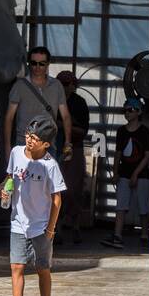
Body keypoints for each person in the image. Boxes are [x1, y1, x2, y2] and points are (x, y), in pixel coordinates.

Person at [1, 115, 66, 296]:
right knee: (16, 266)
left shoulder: (50, 165)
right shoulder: (16, 153)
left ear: (46, 144)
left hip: (40, 226)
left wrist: (50, 228)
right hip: (18, 221)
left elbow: (57, 199)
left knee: (42, 269)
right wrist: (4, 190)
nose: (29, 140)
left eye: (34, 138)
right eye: (28, 135)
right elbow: (9, 179)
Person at [102, 97, 149, 250]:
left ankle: (145, 233)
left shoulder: (144, 131)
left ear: (138, 112)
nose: (127, 113)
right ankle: (117, 235)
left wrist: (136, 174)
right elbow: (118, 154)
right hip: (124, 173)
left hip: (142, 173)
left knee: (143, 205)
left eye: (130, 110)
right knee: (121, 206)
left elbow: (147, 154)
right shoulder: (121, 131)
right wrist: (116, 172)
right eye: (125, 110)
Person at [4, 45, 73, 157]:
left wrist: (68, 143)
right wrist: (7, 147)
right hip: (24, 146)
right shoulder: (19, 86)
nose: (37, 67)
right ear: (29, 64)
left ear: (48, 64)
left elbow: (65, 116)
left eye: (41, 63)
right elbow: (9, 118)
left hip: (48, 146)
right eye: (33, 63)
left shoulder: (56, 86)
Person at [56, 70, 89, 244]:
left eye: (69, 84)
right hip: (55, 149)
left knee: (74, 189)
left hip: (74, 149)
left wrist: (62, 125)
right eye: (62, 83)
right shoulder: (53, 101)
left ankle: (75, 226)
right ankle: (58, 228)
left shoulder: (79, 103)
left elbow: (83, 131)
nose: (66, 87)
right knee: (57, 189)